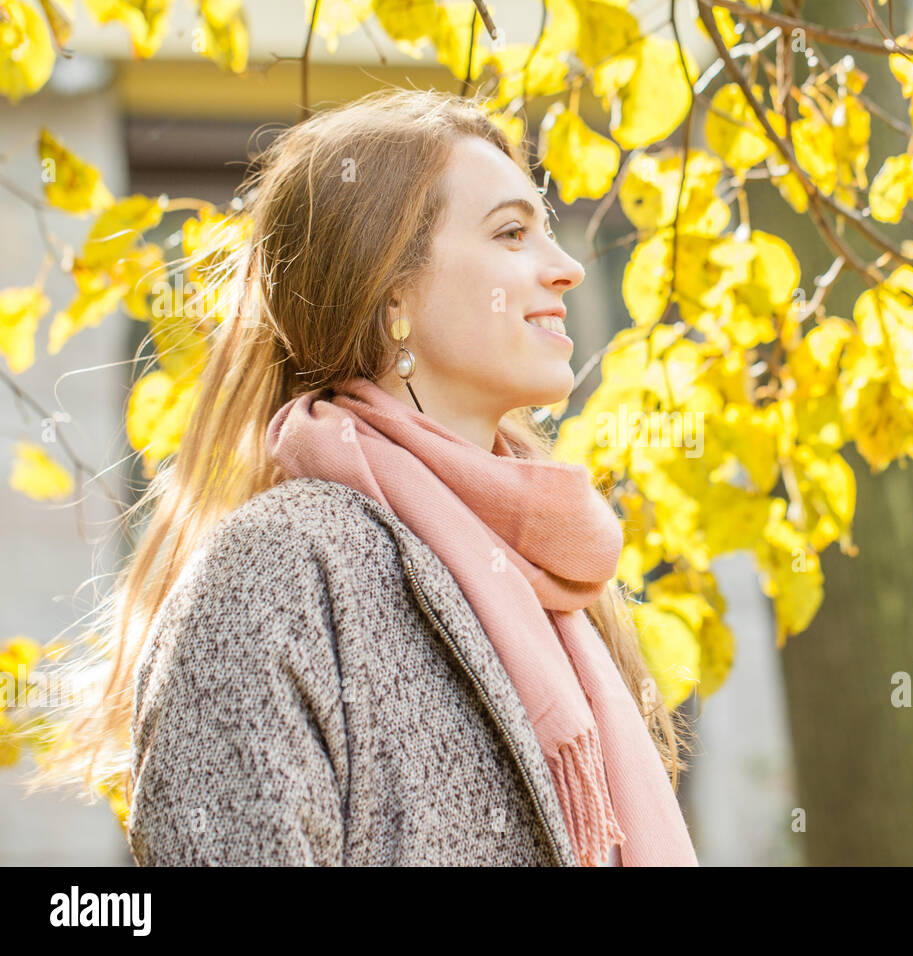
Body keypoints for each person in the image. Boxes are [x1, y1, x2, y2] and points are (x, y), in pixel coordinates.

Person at [29, 88, 699, 867]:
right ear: (392, 298)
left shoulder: (554, 582)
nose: (568, 269)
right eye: (512, 233)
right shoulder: (281, 567)